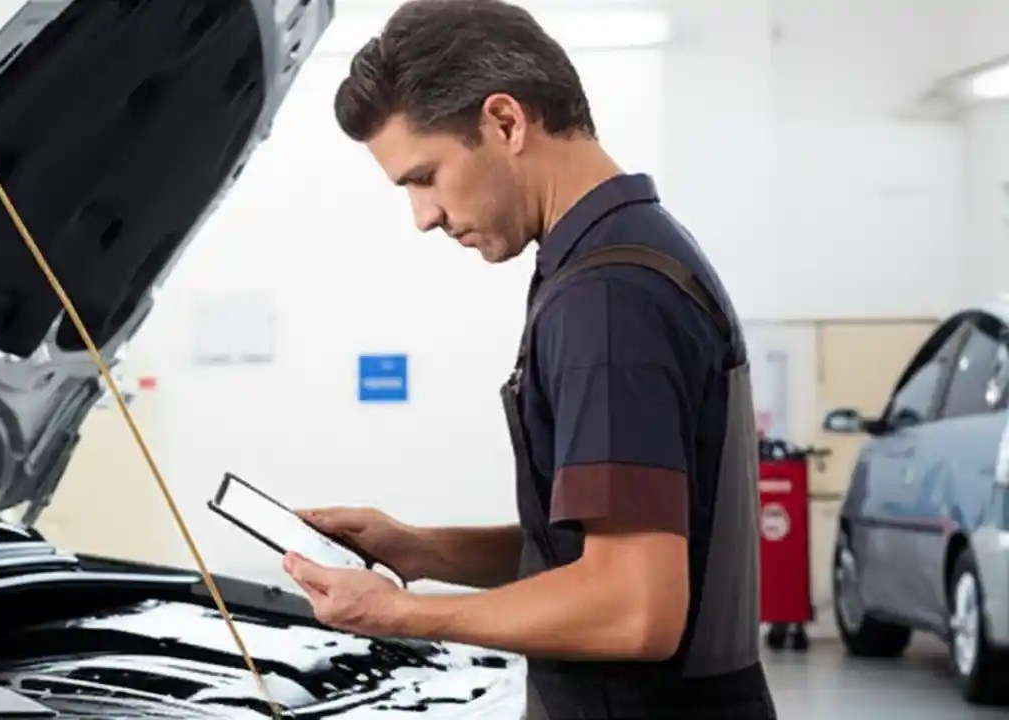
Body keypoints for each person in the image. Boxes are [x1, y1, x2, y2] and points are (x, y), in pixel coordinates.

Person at [280, 0, 777, 718]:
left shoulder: (609, 299)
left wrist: (401, 614)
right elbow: (596, 552)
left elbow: (634, 607)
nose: (423, 216)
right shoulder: (626, 256)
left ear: (506, 122)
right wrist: (420, 550)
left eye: (425, 176)